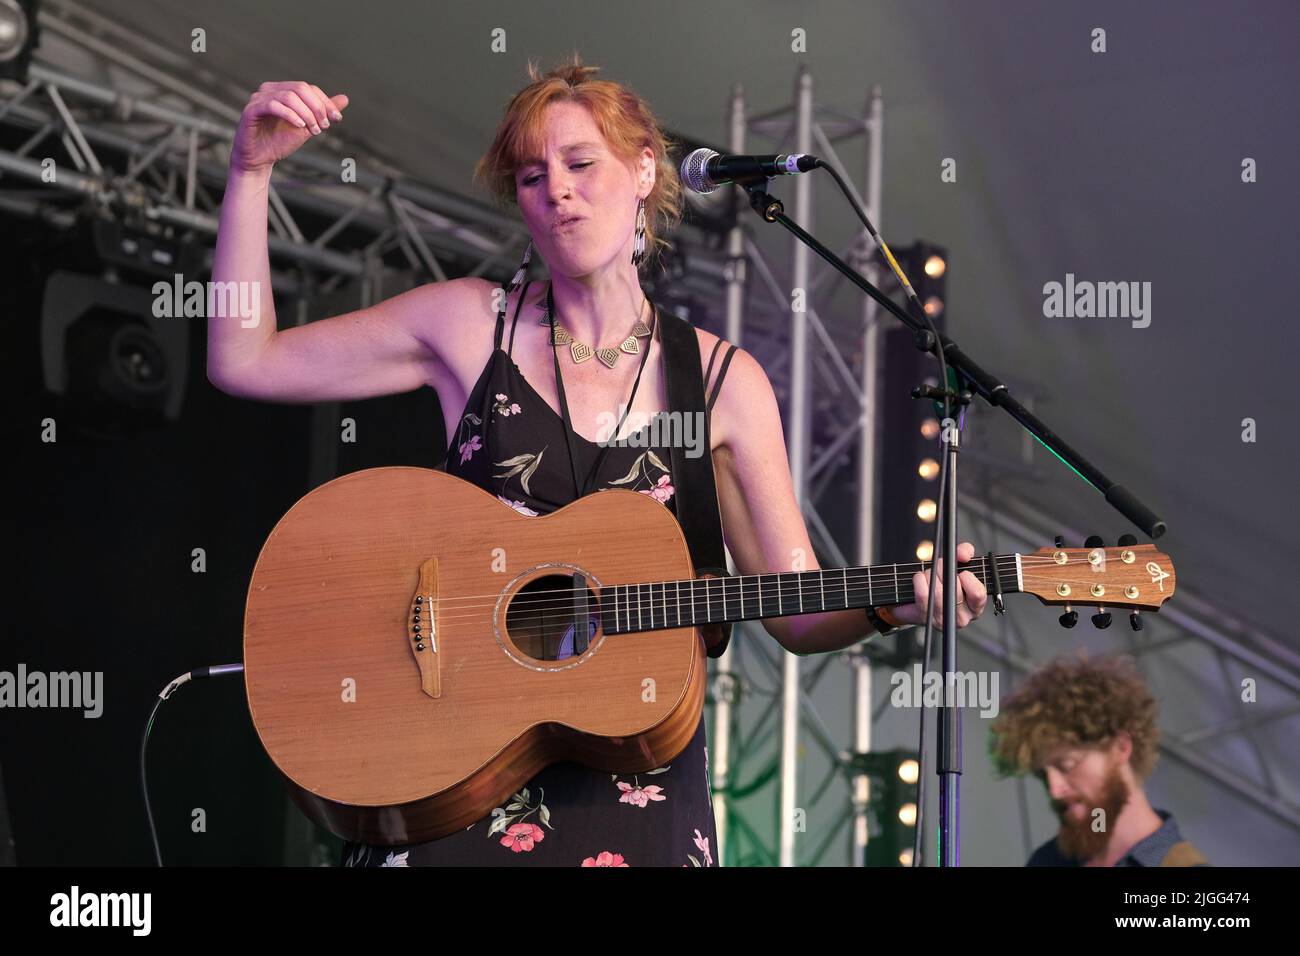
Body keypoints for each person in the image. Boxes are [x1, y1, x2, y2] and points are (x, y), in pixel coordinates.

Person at [208, 55, 990, 866]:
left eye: (582, 164)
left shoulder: (722, 383)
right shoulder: (471, 326)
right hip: (453, 765)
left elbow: (794, 608)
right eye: (532, 177)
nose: (559, 191)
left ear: (646, 168)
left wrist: (900, 603)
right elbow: (245, 358)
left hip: (633, 789)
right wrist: (250, 172)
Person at [989, 654, 1208, 867]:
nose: (1055, 790)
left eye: (1066, 765)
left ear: (1120, 747)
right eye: (1042, 774)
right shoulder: (1047, 860)